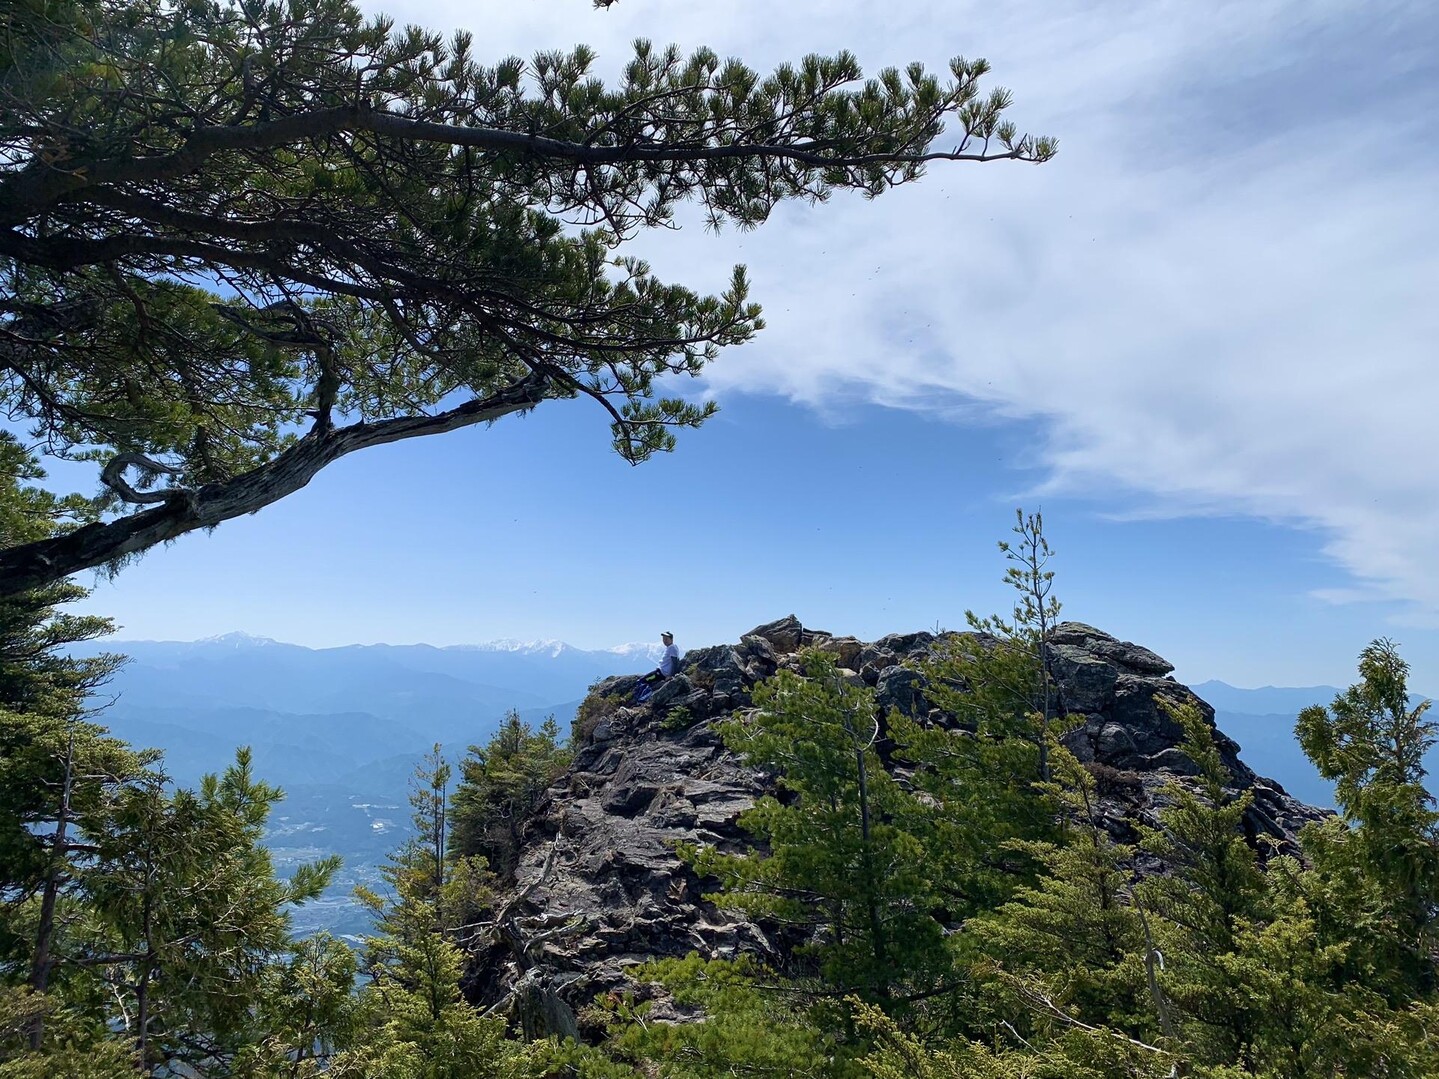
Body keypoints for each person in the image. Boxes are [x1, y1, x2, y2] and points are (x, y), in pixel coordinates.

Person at [634, 631, 679, 702]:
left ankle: (642, 700)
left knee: (642, 681)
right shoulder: (670, 647)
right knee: (645, 681)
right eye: (663, 639)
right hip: (660, 672)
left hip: (661, 673)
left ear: (671, 639)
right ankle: (642, 699)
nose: (664, 641)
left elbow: (675, 662)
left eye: (666, 639)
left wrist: (671, 675)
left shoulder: (672, 648)